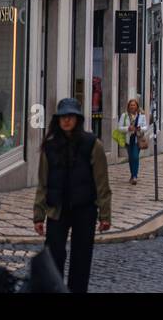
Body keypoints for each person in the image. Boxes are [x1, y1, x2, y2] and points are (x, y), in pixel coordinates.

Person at [33, 98, 111, 294]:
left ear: (77, 119)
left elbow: (101, 182)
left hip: (84, 208)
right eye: (63, 117)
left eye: (70, 117)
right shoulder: (49, 147)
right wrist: (38, 214)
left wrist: (105, 214)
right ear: (57, 120)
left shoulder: (93, 144)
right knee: (54, 254)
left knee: (81, 257)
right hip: (56, 208)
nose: (66, 120)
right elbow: (43, 182)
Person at [119, 98, 147, 183]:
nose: (132, 107)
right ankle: (132, 175)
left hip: (137, 139)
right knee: (131, 158)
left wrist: (140, 128)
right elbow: (119, 128)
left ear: (137, 106)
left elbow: (145, 127)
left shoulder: (141, 116)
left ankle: (135, 176)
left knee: (135, 157)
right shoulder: (124, 116)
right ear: (128, 106)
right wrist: (128, 128)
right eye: (131, 105)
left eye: (134, 105)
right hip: (128, 139)